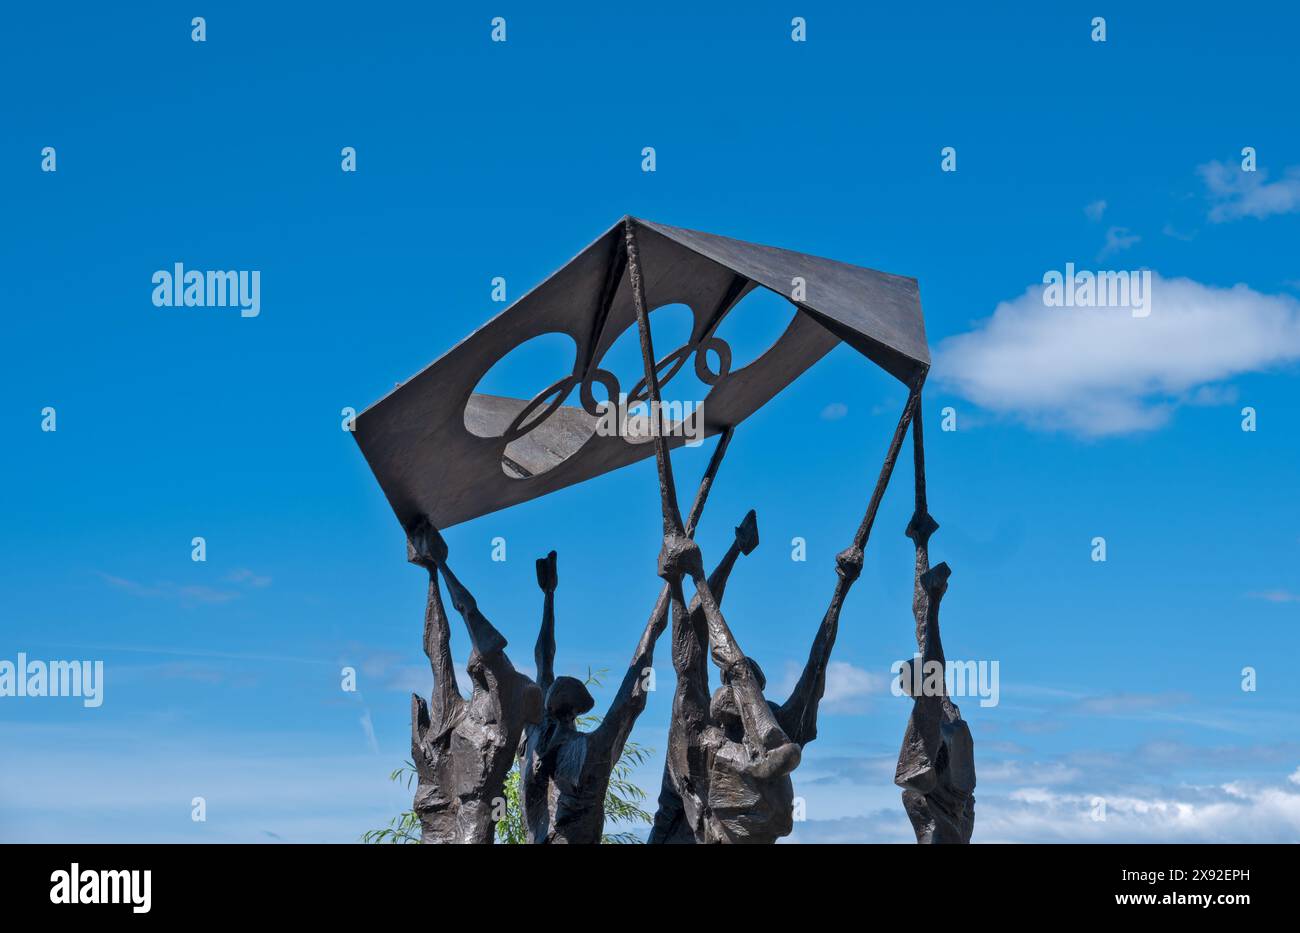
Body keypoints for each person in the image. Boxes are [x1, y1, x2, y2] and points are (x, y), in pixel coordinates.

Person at [406, 518, 542, 844]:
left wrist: (442, 563)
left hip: (479, 815)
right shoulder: (461, 712)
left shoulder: (507, 705)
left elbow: (472, 616)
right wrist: (431, 576)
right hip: (447, 813)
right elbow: (437, 649)